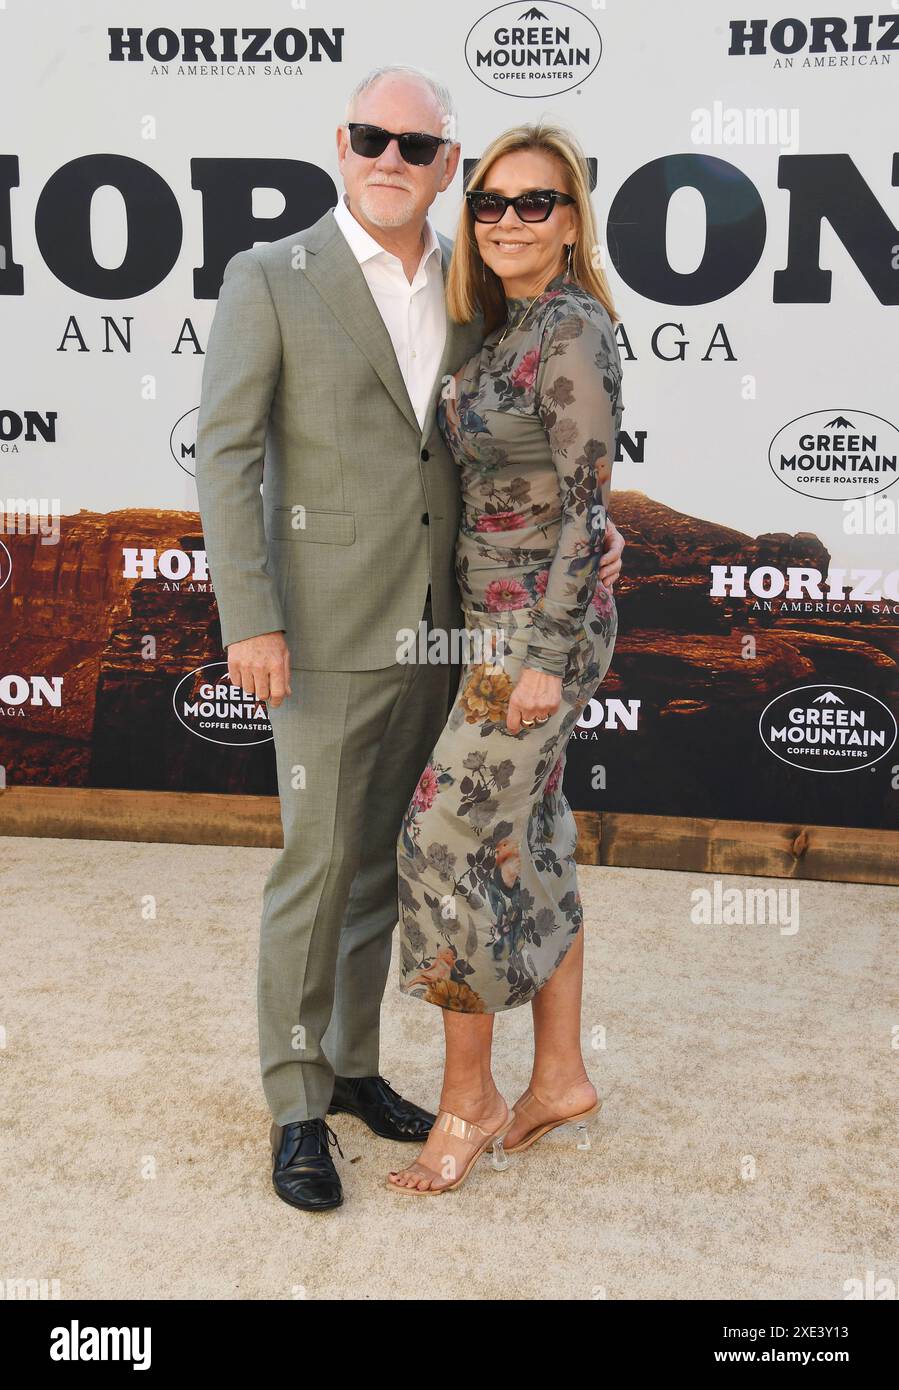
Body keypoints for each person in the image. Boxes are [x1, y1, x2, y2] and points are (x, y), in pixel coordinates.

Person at [195, 66, 625, 1213]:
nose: (390, 157)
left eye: (416, 144)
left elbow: (544, 456)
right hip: (326, 628)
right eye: (369, 136)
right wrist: (253, 617)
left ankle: (348, 1066)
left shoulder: (473, 285)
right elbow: (225, 455)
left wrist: (580, 568)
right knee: (315, 868)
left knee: (398, 863)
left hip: (462, 630)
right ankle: (295, 1097)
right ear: (341, 144)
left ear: (445, 160)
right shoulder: (269, 275)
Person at [389, 120, 624, 1194]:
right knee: (528, 838)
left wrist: (544, 651)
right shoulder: (502, 321)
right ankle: (561, 1075)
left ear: (569, 222)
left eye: (534, 203)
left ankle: (467, 1099)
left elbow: (584, 502)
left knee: (443, 839)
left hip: (533, 633)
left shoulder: (569, 327)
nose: (507, 221)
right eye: (488, 202)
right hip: (487, 620)